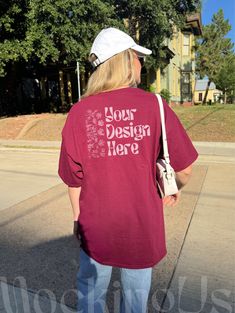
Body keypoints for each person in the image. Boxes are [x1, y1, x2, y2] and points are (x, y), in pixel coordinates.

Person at [58, 27, 198, 313]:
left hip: (95, 229)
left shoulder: (79, 113)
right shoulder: (155, 106)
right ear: (123, 60)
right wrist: (170, 187)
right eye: (137, 56)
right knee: (135, 303)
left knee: (91, 296)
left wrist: (77, 218)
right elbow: (185, 170)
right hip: (141, 227)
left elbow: (74, 180)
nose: (141, 63)